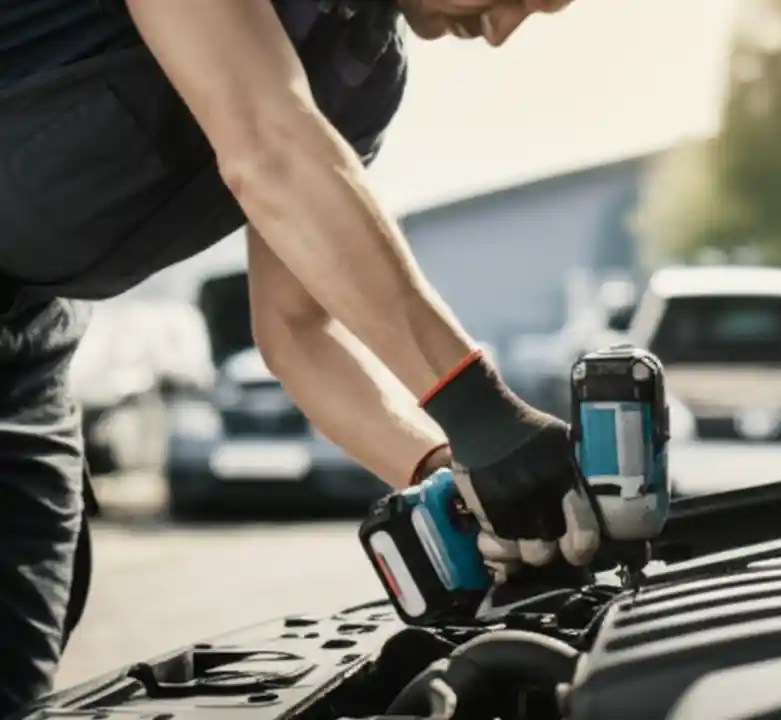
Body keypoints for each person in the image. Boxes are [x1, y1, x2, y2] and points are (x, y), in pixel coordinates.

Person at [0, 0, 598, 713]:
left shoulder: (360, 76)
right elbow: (267, 145)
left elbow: (298, 332)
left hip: (25, 353)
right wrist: (483, 415)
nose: (500, 32)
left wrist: (448, 469)